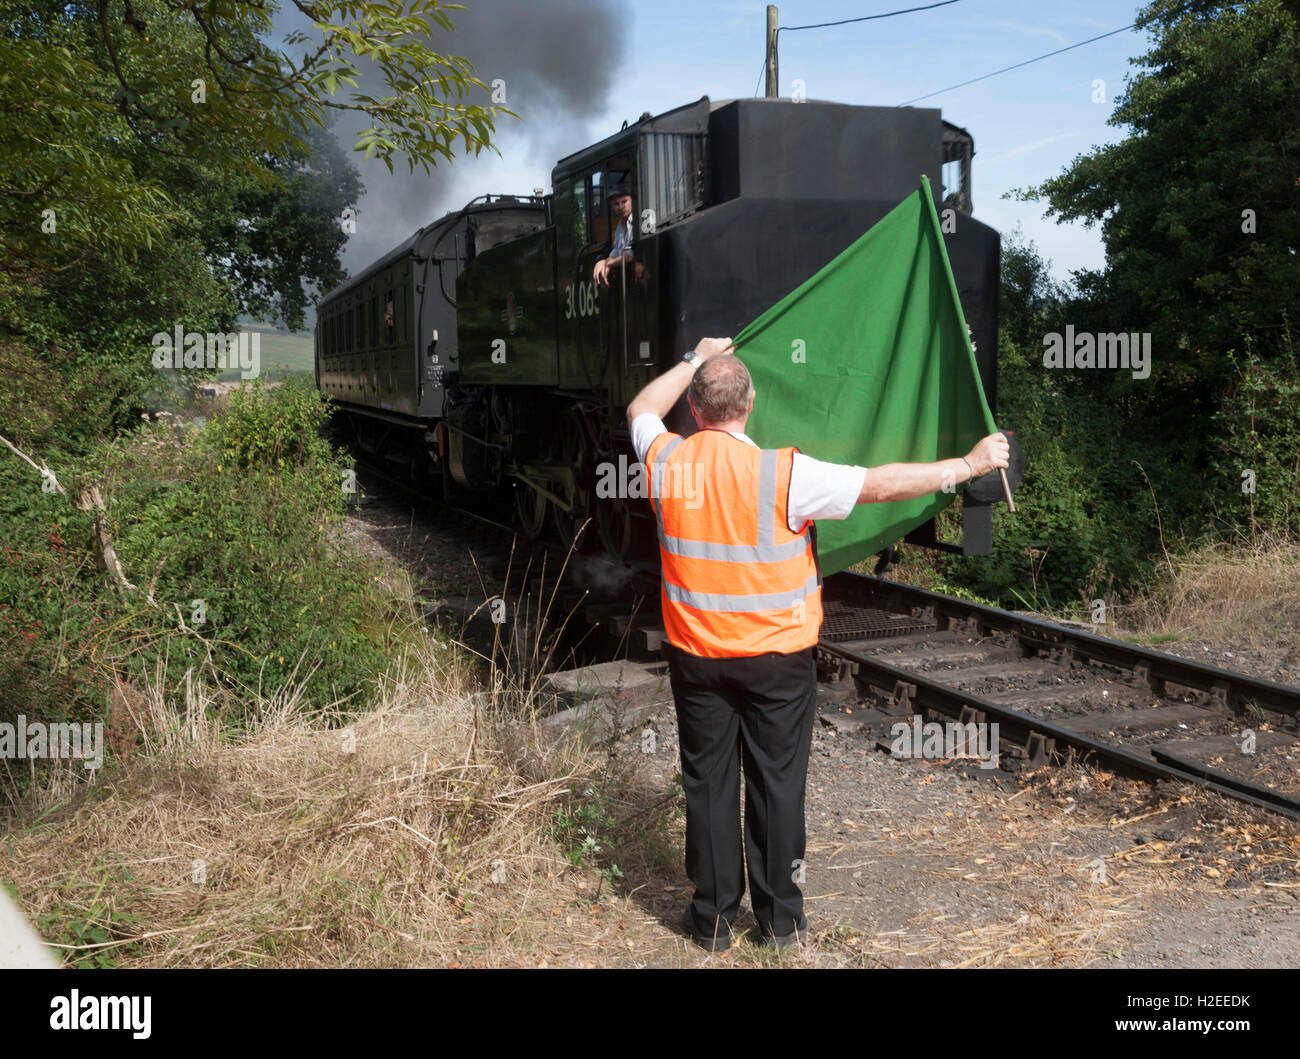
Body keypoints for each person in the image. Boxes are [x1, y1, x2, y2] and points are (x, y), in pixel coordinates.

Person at [626, 338, 1009, 952]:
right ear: (751, 403)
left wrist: (693, 359)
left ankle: (714, 924)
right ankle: (780, 927)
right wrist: (966, 465)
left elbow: (642, 406)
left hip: (697, 660)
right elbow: (881, 485)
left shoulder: (666, 460)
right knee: (777, 788)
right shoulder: (786, 473)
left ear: (695, 411)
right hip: (777, 663)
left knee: (707, 784)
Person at [593, 184, 644, 286]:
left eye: (624, 201)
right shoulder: (619, 227)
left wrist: (607, 264)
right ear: (611, 207)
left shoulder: (644, 218)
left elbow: (630, 255)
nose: (620, 207)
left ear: (631, 201)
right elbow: (616, 252)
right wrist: (602, 262)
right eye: (616, 204)